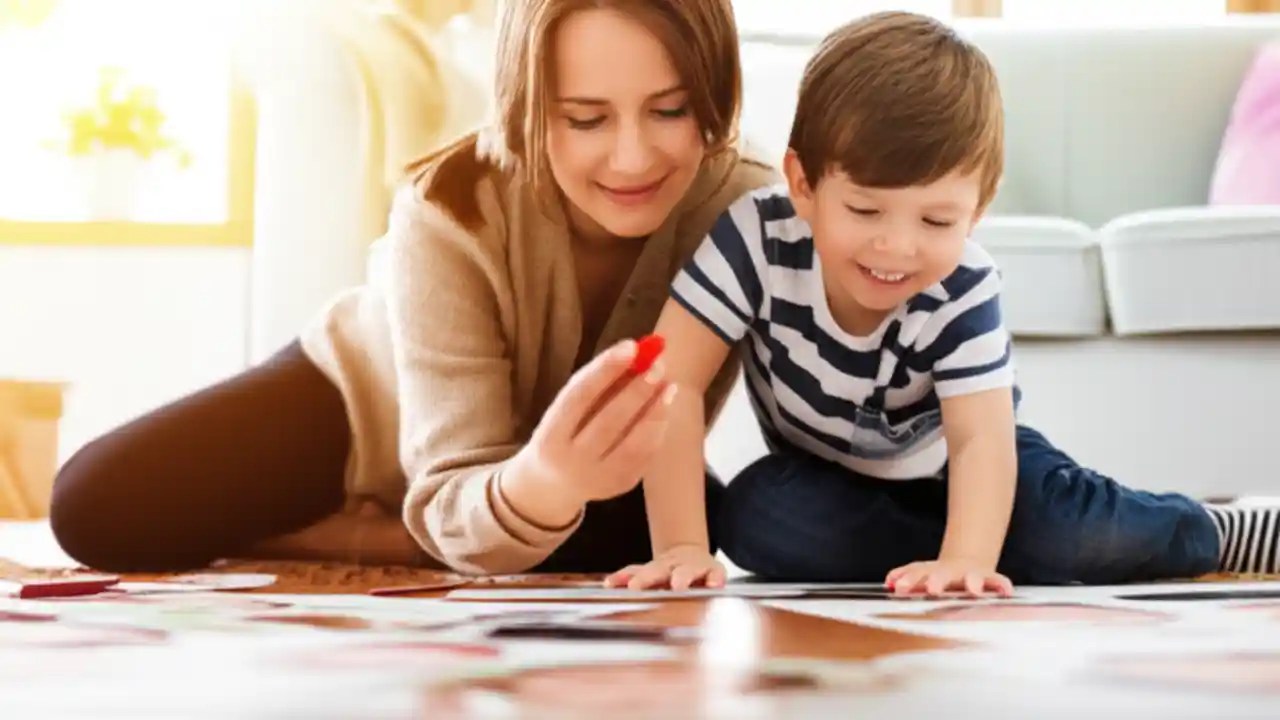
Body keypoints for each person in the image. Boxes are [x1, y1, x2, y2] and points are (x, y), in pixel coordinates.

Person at [48, 0, 775, 574]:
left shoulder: (748, 209)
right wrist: (542, 482)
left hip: (567, 480)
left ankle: (432, 534)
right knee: (95, 505)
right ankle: (388, 536)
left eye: (671, 109)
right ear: (524, 103)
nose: (633, 157)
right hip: (365, 411)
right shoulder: (448, 207)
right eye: (585, 119)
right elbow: (460, 470)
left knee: (689, 528)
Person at [605, 11, 1280, 596]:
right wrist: (682, 546)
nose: (897, 247)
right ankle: (996, 546)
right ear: (803, 184)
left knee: (1073, 534)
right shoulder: (756, 236)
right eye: (865, 210)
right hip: (832, 480)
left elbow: (980, 439)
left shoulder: (963, 285)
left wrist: (967, 561)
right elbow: (672, 382)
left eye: (936, 222)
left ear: (978, 210)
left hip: (972, 467)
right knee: (755, 520)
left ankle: (1216, 528)